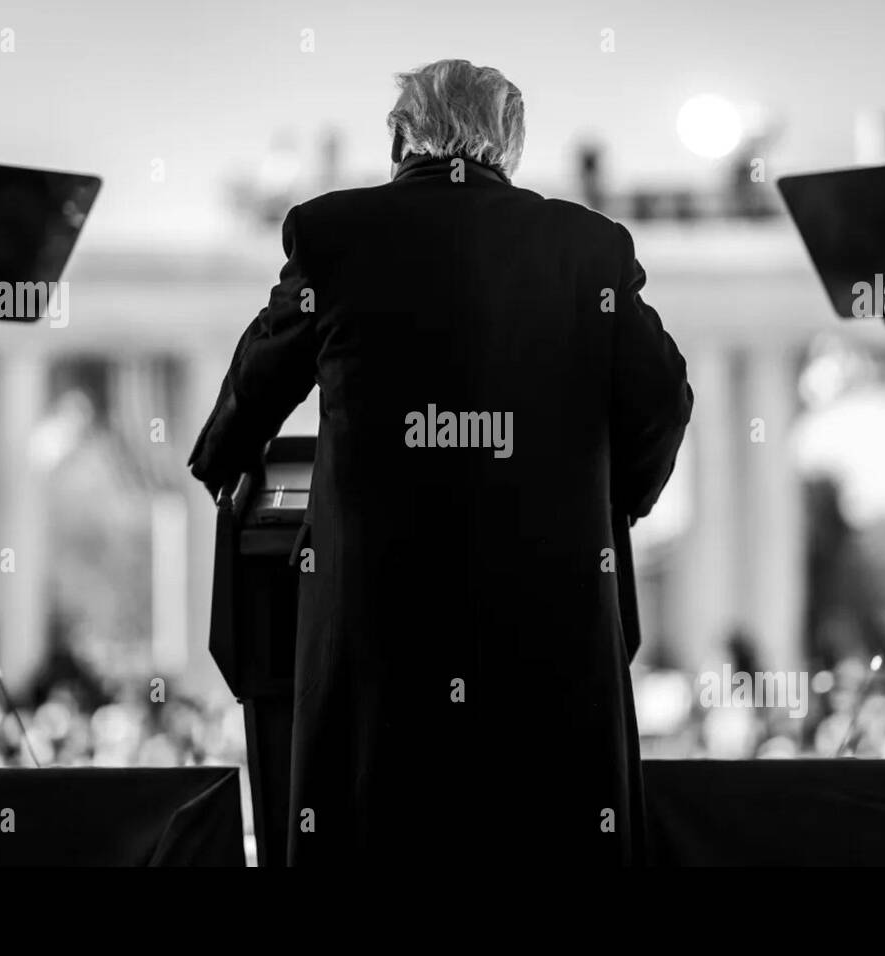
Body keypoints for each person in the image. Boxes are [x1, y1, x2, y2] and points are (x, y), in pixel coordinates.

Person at [189, 59, 693, 865]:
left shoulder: (332, 234)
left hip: (375, 626)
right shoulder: (589, 248)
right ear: (513, 150)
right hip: (552, 618)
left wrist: (220, 460)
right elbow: (664, 401)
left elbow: (258, 382)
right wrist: (620, 504)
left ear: (397, 139)